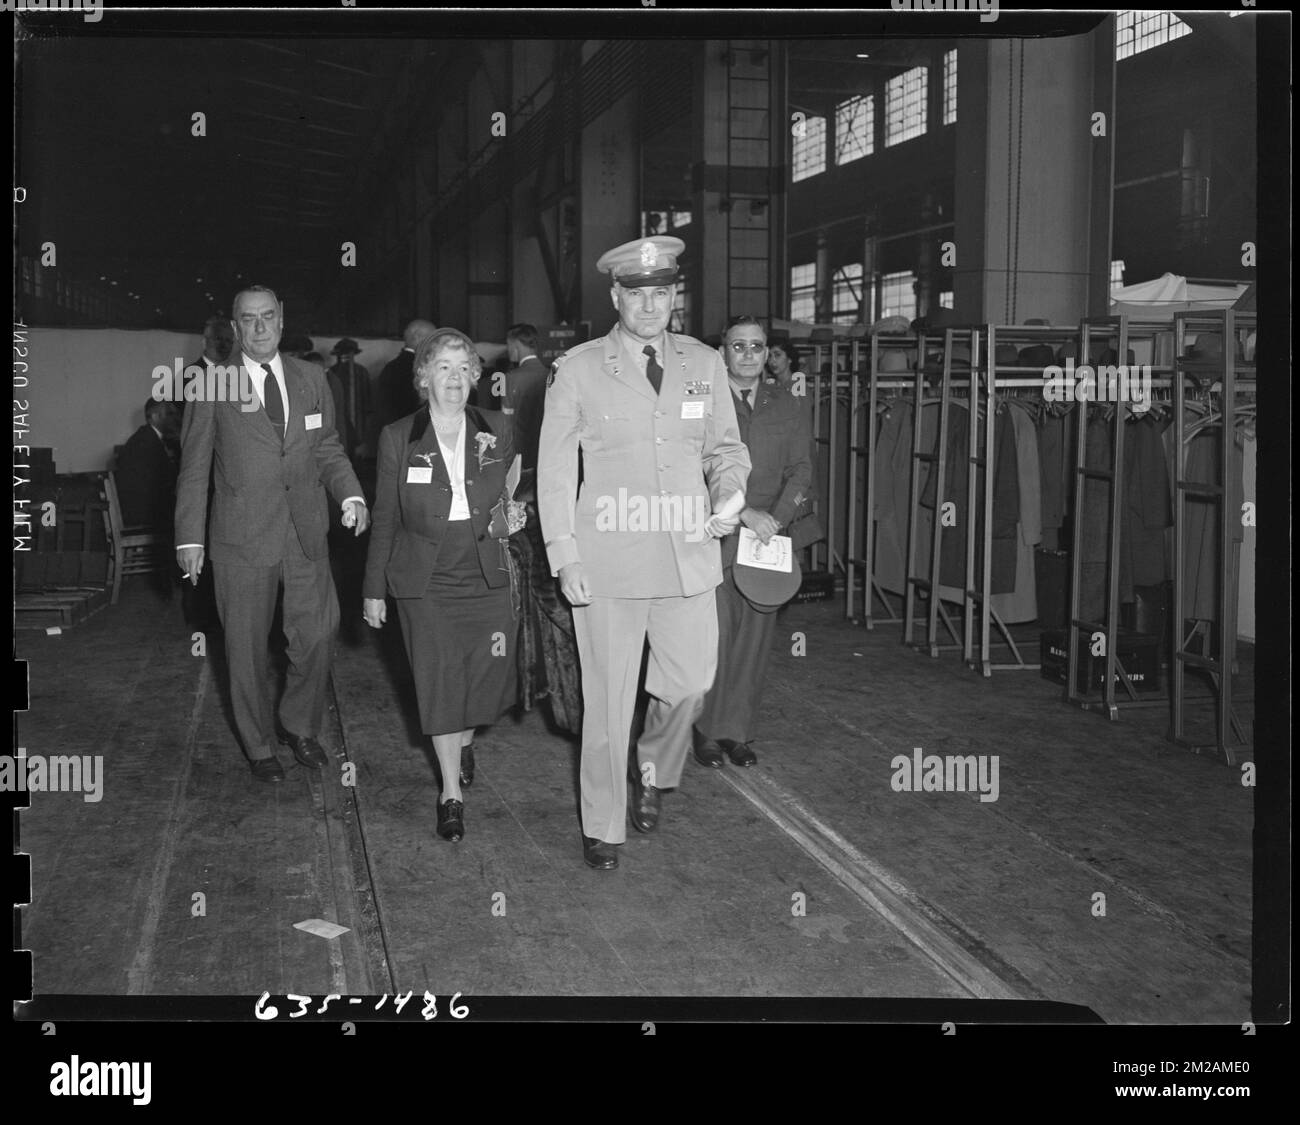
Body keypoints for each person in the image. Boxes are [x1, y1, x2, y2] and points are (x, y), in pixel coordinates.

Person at [537, 235, 751, 870]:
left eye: (661, 292)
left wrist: (730, 494)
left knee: (690, 683)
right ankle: (603, 824)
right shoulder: (576, 369)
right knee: (606, 701)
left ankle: (652, 771)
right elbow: (553, 471)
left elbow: (725, 450)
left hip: (687, 551)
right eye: (637, 294)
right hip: (608, 558)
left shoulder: (705, 363)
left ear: (674, 296)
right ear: (616, 297)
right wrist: (563, 555)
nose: (650, 305)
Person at [174, 285, 370, 783]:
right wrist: (188, 537)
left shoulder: (311, 377)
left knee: (319, 632)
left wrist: (349, 494)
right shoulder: (212, 383)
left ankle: (298, 725)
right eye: (248, 319)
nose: (259, 328)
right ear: (234, 327)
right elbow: (194, 467)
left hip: (305, 529)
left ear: (282, 319)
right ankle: (259, 743)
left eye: (267, 317)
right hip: (241, 535)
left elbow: (327, 445)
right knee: (243, 646)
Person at [362, 328, 521, 843]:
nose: (454, 377)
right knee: (440, 682)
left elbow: (513, 496)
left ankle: (465, 737)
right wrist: (372, 590)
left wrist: (514, 515)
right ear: (423, 375)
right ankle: (450, 791)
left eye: (463, 368)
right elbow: (385, 517)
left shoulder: (496, 428)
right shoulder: (398, 437)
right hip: (424, 583)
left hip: (485, 574)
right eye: (443, 367)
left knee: (485, 680)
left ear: (476, 377)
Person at [694, 316, 819, 768]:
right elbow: (690, 466)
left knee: (755, 638)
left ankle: (737, 732)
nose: (748, 354)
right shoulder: (702, 402)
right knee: (716, 637)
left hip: (769, 538)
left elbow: (802, 469)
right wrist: (740, 511)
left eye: (757, 346)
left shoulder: (788, 404)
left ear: (768, 354)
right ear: (722, 352)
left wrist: (777, 518)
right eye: (738, 345)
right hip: (716, 534)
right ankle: (706, 731)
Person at [116, 397, 179, 530]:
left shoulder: (146, 437)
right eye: (170, 414)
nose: (176, 419)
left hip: (140, 509)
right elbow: (165, 480)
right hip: (142, 513)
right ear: (155, 417)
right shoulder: (146, 442)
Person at [377, 319, 437, 433]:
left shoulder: (392, 366)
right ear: (417, 337)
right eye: (433, 339)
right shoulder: (418, 369)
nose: (436, 344)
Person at [327, 337, 372, 460]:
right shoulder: (331, 373)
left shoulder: (361, 372)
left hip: (358, 423)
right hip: (338, 422)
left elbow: (368, 404)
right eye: (343, 354)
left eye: (348, 354)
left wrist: (364, 439)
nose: (345, 357)